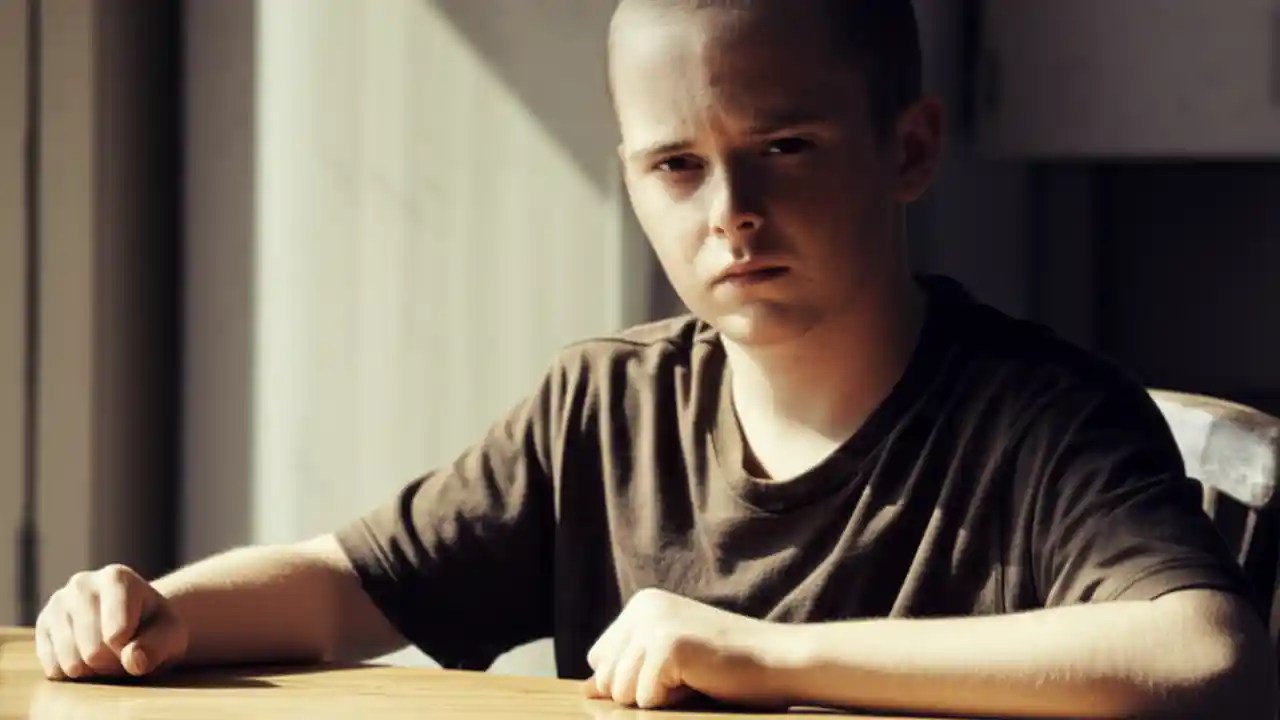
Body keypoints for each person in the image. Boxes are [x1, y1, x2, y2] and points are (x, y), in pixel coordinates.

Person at [33, 1, 1278, 717]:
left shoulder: (1041, 419)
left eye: (782, 147)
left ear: (905, 149)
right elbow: (342, 583)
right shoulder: (604, 409)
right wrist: (156, 608)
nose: (727, 208)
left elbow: (1204, 654)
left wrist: (762, 655)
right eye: (675, 166)